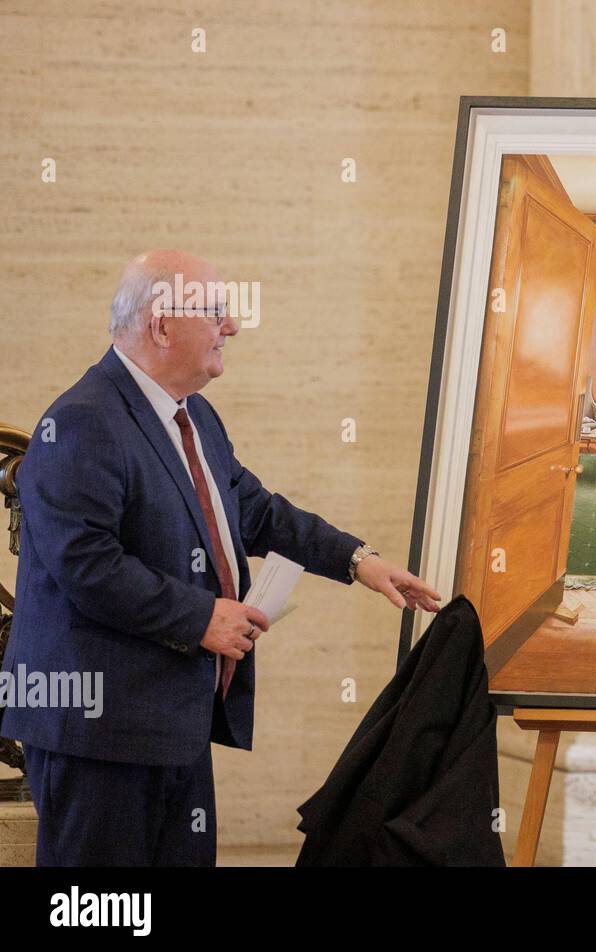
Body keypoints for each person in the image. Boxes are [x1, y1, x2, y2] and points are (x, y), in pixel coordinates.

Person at [0, 249, 442, 866]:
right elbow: (86, 563)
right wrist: (201, 617)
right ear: (161, 325)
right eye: (215, 312)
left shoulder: (194, 415)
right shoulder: (81, 422)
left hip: (171, 722)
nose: (231, 327)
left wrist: (359, 561)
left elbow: (255, 510)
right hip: (98, 732)